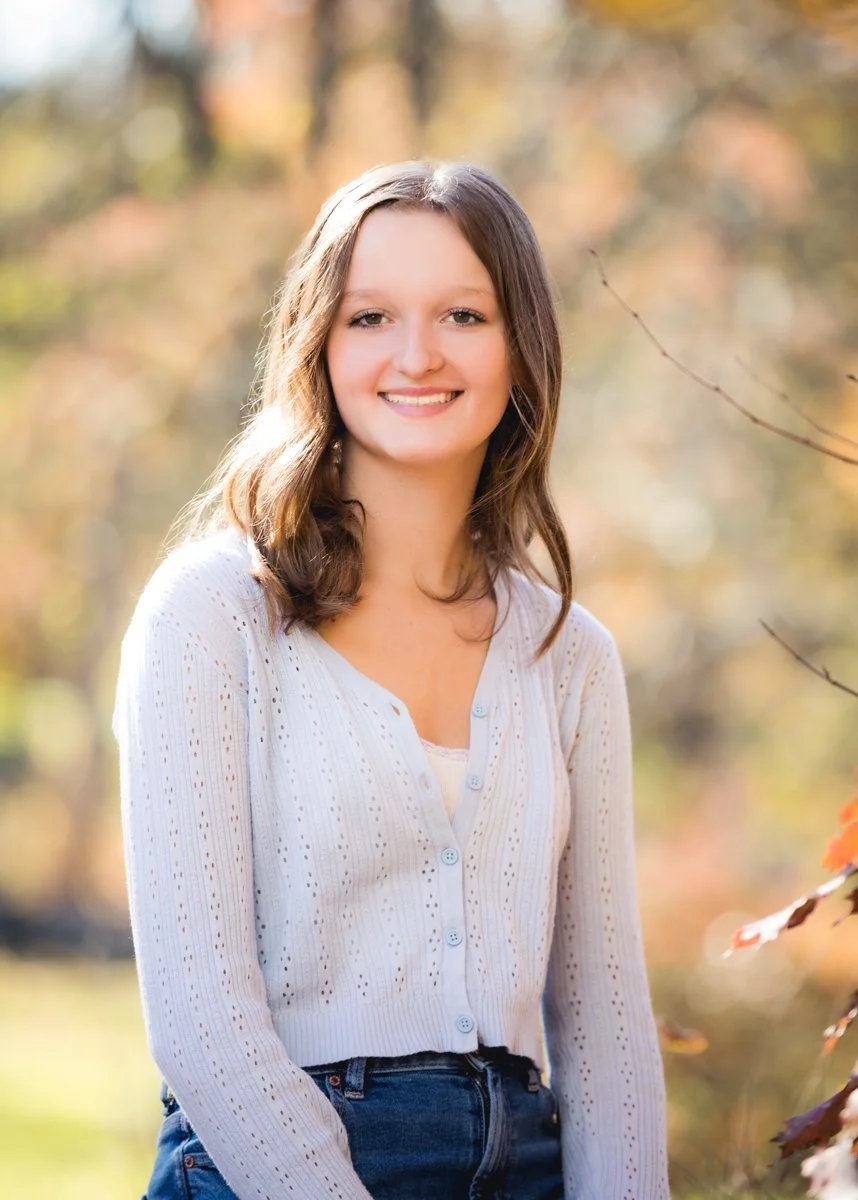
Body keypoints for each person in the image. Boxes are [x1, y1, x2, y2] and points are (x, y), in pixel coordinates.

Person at [113, 159, 669, 1200]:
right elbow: (200, 1019)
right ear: (318, 345)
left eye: (464, 314)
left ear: (521, 348)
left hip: (527, 1163)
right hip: (269, 1164)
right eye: (370, 317)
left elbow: (605, 1030)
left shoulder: (571, 653)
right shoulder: (213, 614)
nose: (417, 355)